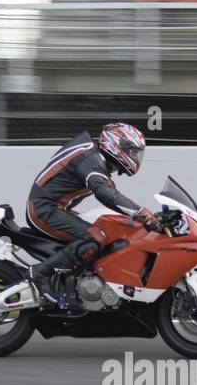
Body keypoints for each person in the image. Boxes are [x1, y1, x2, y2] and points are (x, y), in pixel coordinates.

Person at [25, 123, 153, 306]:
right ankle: (40, 274)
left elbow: (109, 191)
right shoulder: (91, 159)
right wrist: (142, 213)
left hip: (54, 208)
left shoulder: (95, 159)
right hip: (43, 209)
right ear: (117, 144)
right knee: (95, 237)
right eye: (133, 152)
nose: (135, 157)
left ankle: (73, 286)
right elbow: (105, 193)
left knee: (109, 229)